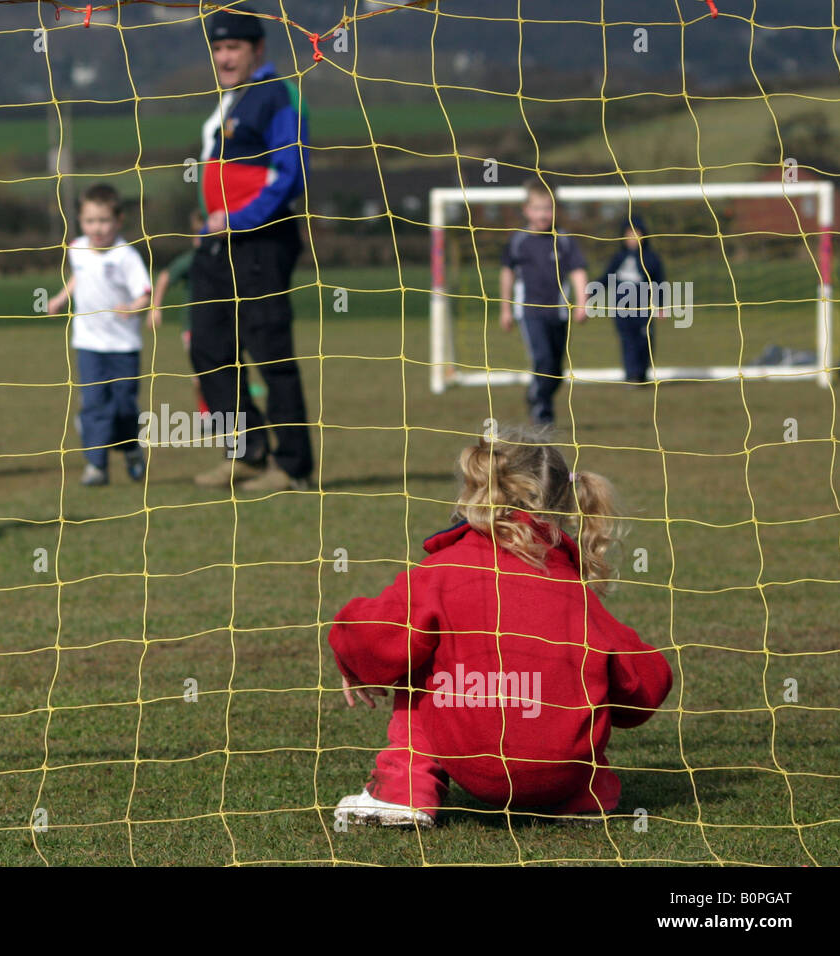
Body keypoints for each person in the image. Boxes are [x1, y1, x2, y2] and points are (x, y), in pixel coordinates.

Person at [329, 426, 672, 827]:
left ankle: (404, 789)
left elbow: (370, 633)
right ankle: (584, 798)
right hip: (562, 773)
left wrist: (353, 662)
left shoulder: (443, 570)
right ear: (566, 502)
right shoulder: (573, 591)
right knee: (580, 681)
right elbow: (646, 687)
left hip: (471, 756)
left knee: (419, 662)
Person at [189, 5, 313, 492]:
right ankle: (247, 451)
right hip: (217, 245)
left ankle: (294, 465)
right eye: (217, 49)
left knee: (269, 350)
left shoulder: (276, 94)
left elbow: (290, 175)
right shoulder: (229, 101)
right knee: (208, 348)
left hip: (261, 242)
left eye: (233, 47)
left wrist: (236, 219)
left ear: (257, 49)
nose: (223, 57)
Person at [47, 183, 152, 487]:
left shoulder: (126, 256)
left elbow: (144, 294)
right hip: (89, 344)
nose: (97, 228)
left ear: (118, 221)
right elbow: (79, 275)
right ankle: (96, 465)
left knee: (122, 406)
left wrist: (133, 307)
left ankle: (131, 449)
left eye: (104, 221)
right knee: (94, 403)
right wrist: (59, 297)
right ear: (81, 221)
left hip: (123, 346)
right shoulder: (77, 248)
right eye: (90, 221)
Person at [499, 179, 589, 427]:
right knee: (542, 359)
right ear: (526, 210)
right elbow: (507, 274)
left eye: (548, 208)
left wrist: (582, 302)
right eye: (537, 208)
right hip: (529, 312)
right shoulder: (519, 241)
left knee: (556, 372)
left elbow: (578, 270)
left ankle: (536, 395)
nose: (543, 214)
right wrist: (505, 308)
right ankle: (541, 413)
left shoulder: (564, 239)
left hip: (558, 312)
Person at [151, 209, 209, 417]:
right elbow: (165, 276)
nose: (199, 238)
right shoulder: (190, 260)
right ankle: (205, 415)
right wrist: (156, 307)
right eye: (196, 233)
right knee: (200, 374)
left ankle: (226, 412)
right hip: (193, 327)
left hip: (223, 324)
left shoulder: (226, 258)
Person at [597, 213, 666, 384]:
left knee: (644, 341)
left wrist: (660, 306)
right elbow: (606, 278)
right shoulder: (618, 258)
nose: (633, 238)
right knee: (627, 341)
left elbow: (659, 282)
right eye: (629, 234)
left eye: (636, 233)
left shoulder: (651, 258)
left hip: (643, 309)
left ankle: (642, 373)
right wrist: (590, 292)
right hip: (621, 309)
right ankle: (631, 375)